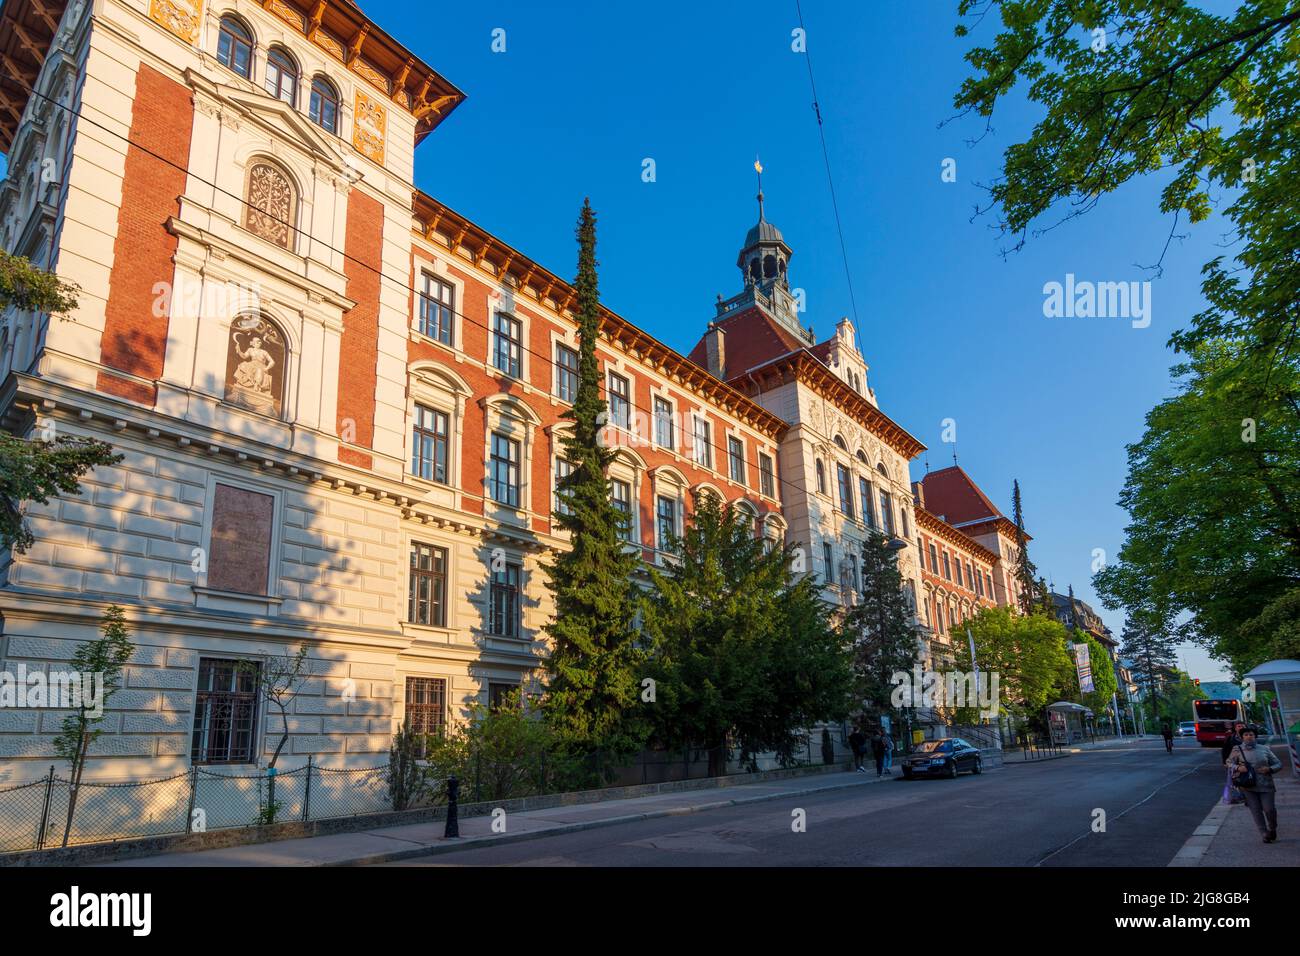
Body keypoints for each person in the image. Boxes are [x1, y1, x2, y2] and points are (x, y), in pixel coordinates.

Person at [1227, 727, 1283, 843]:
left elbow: (1278, 763)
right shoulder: (1237, 749)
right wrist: (1238, 767)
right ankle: (1264, 833)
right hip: (1247, 786)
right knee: (1256, 810)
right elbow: (1228, 762)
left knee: (1269, 810)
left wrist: (1270, 769)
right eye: (1246, 735)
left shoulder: (1264, 749)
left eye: (1251, 734)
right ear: (1242, 737)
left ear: (1255, 736)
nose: (1249, 736)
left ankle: (1272, 828)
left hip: (1266, 785)